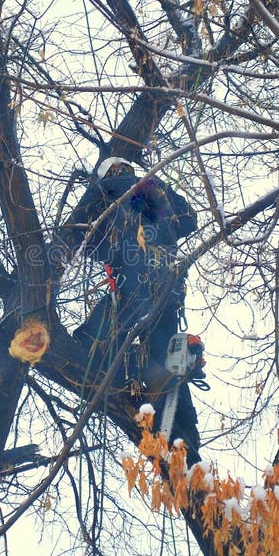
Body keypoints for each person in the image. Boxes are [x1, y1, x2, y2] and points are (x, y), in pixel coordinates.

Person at [72, 158, 204, 448]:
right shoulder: (155, 190)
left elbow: (77, 235)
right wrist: (159, 188)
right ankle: (186, 429)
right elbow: (189, 220)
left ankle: (138, 374)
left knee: (98, 336)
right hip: (168, 289)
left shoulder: (104, 189)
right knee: (168, 348)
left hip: (133, 284)